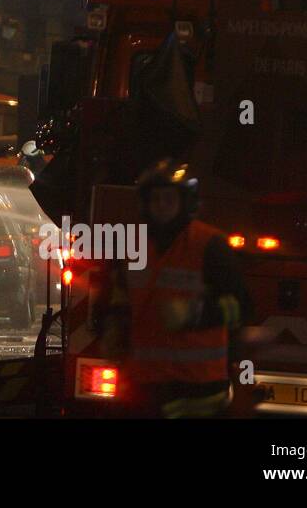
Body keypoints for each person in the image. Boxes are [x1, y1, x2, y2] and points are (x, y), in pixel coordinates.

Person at [97, 159, 249, 417]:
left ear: (185, 203)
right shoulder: (132, 245)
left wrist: (194, 315)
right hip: (145, 385)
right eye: (155, 199)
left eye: (169, 199)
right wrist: (112, 326)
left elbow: (243, 307)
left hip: (199, 390)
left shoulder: (210, 245)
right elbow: (120, 297)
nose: (161, 206)